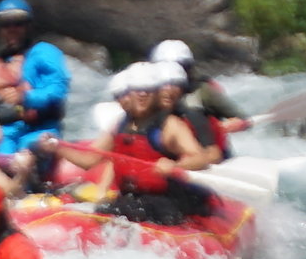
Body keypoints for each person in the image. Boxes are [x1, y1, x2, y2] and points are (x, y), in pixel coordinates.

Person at [53, 65, 217, 226]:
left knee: (123, 210)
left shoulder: (169, 125)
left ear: (157, 93)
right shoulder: (119, 125)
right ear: (129, 93)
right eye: (137, 89)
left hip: (164, 200)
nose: (143, 94)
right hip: (131, 197)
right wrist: (57, 148)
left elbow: (200, 158)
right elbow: (89, 159)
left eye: (149, 89)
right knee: (109, 209)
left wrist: (176, 165)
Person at [0, 0, 69, 158]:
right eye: (5, 24)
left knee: (28, 153)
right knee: (0, 157)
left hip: (41, 130)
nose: (12, 29)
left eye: (18, 23)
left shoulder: (44, 53)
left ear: (28, 26)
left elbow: (58, 90)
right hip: (6, 132)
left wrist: (25, 97)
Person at [151, 39, 246, 135]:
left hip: (204, 144)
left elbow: (242, 118)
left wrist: (232, 124)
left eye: (181, 68)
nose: (174, 74)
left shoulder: (203, 90)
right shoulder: (147, 94)